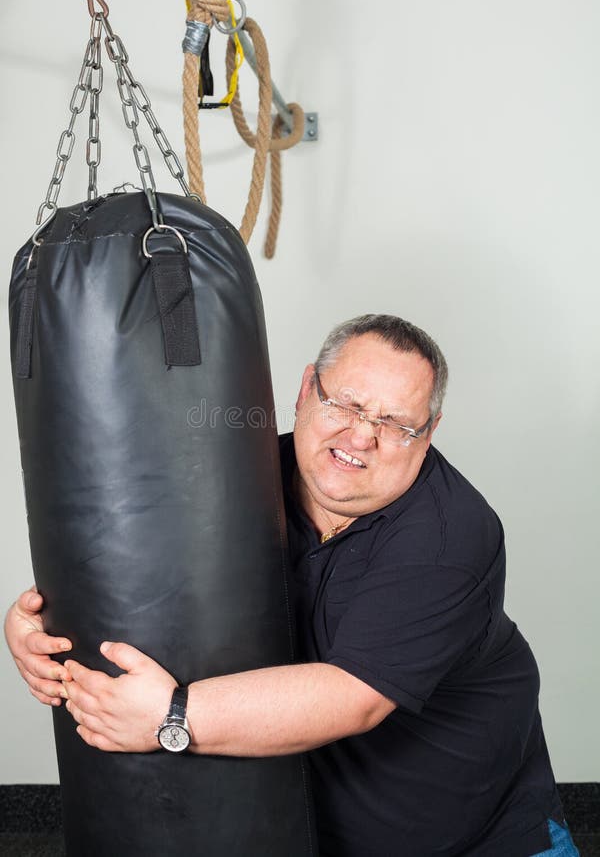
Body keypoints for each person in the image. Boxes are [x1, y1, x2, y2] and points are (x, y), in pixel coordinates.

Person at [5, 314, 579, 857]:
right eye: (345, 404)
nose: (360, 437)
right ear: (307, 389)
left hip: (475, 839)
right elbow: (142, 574)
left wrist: (172, 715)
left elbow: (352, 698)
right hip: (305, 831)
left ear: (427, 434)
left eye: (395, 424)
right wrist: (43, 625)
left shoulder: (450, 537)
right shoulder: (240, 478)